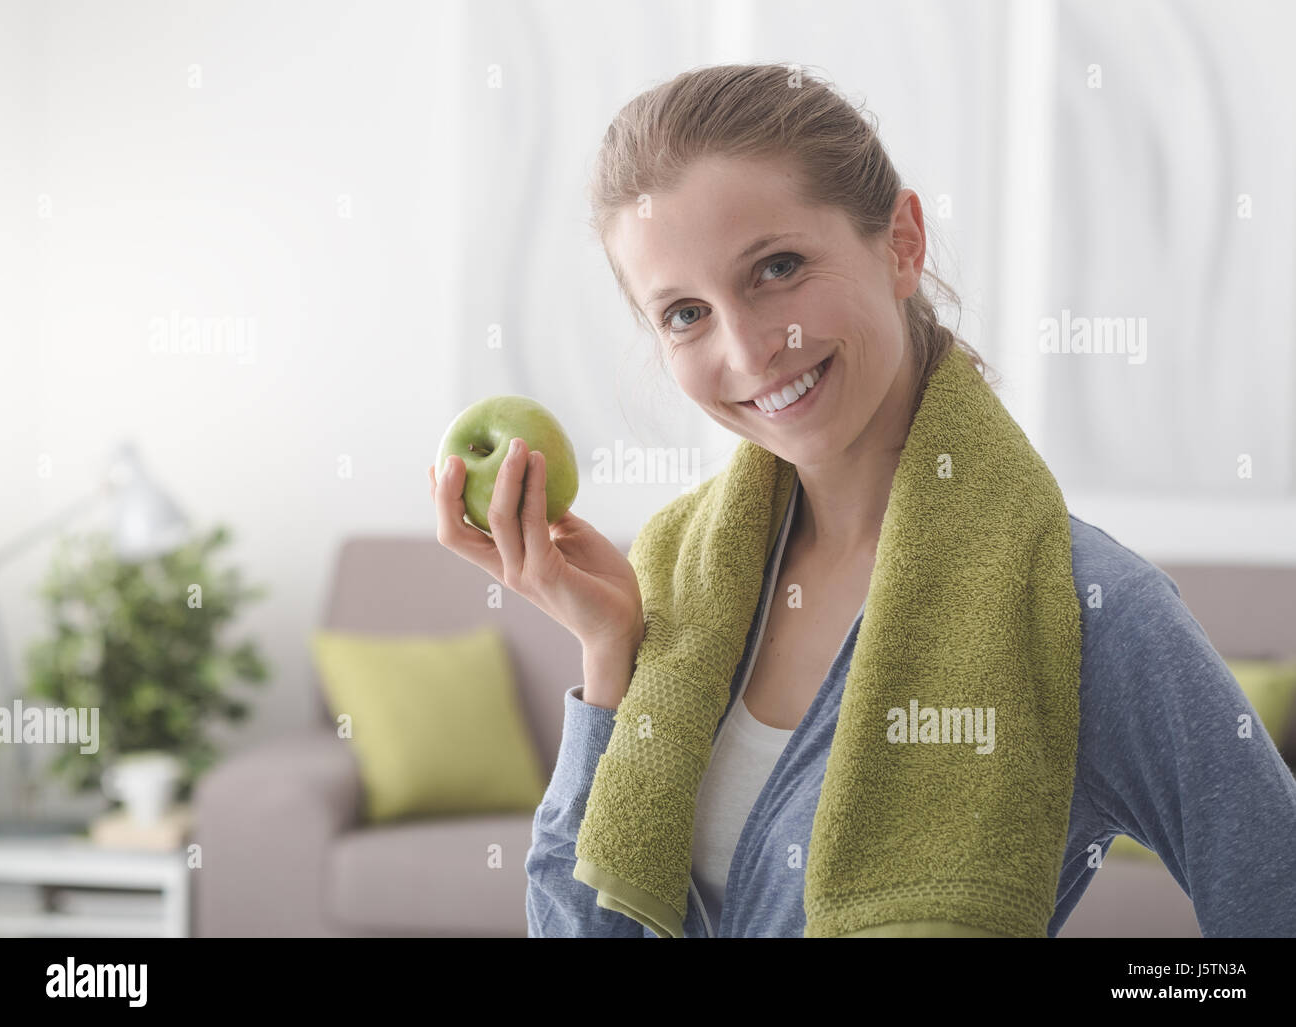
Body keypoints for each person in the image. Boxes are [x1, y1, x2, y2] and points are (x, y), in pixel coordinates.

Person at [430, 63, 1296, 937]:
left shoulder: (1083, 607)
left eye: (777, 267)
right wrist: (609, 653)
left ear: (901, 244)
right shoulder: (673, 581)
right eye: (686, 314)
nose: (751, 348)